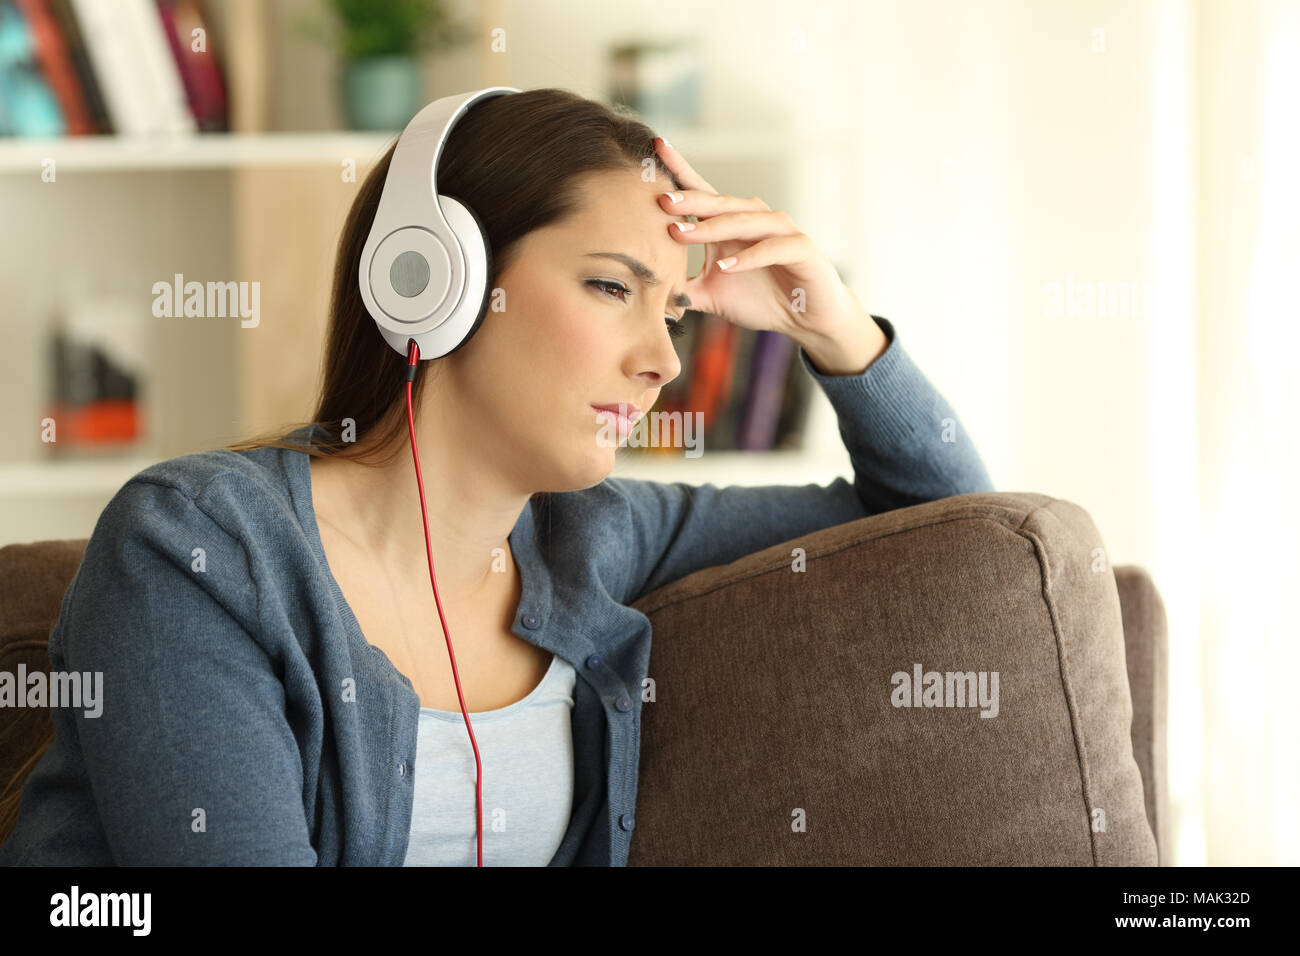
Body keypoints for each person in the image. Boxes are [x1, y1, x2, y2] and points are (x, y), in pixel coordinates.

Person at [0, 87, 994, 866]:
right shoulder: (197, 546)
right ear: (431, 277)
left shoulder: (594, 536)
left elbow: (948, 528)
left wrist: (837, 327)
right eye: (611, 286)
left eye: (676, 313)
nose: (664, 361)